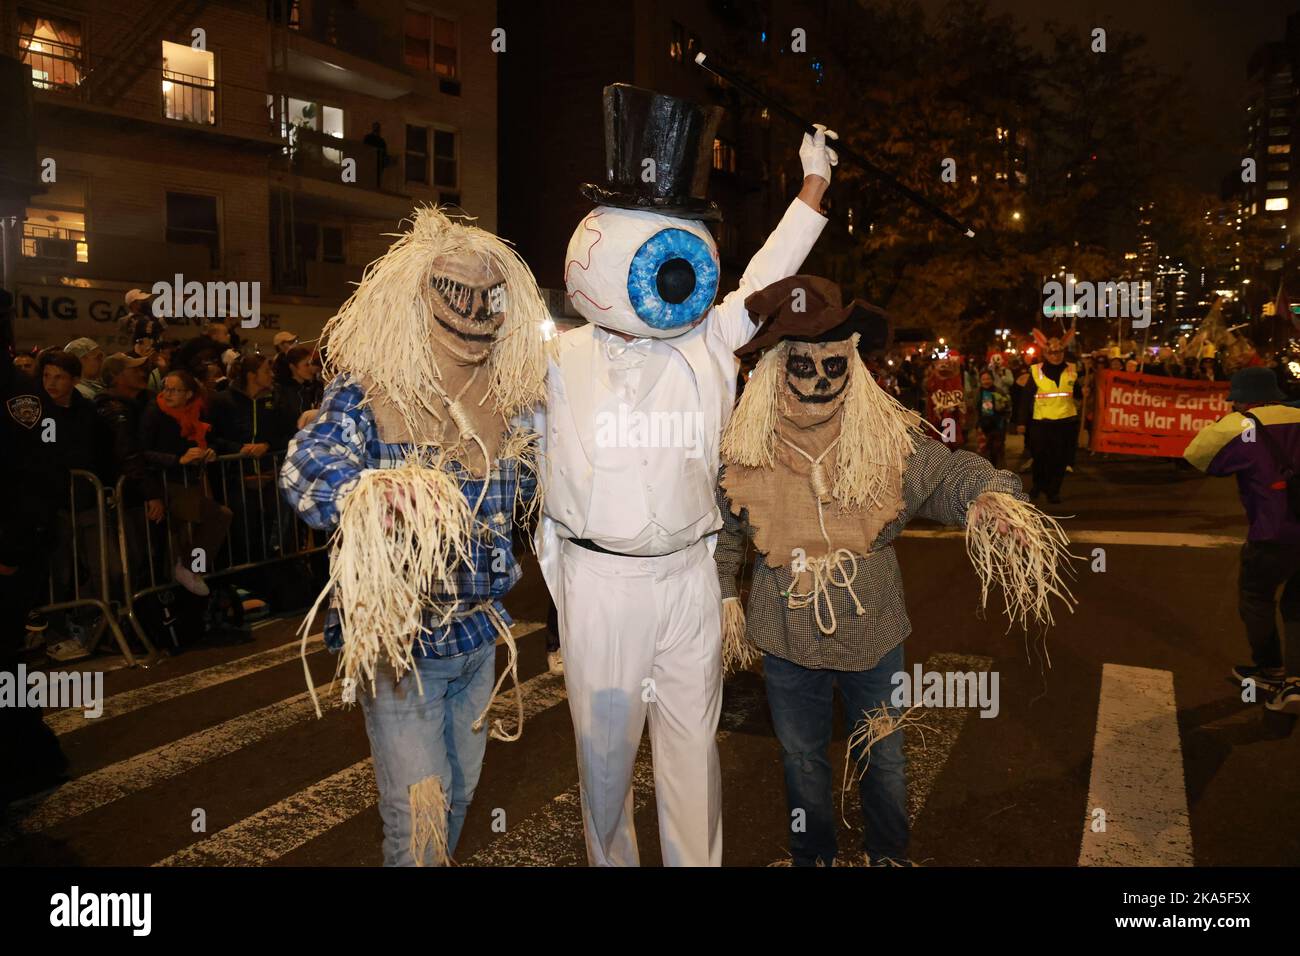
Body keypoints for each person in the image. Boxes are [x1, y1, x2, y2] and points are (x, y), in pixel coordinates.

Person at [538, 83, 837, 867]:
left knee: (691, 751)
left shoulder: (708, 341)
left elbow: (770, 274)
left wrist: (813, 187)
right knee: (604, 767)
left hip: (690, 580)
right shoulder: (554, 360)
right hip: (600, 582)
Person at [715, 276, 1073, 867]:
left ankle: (888, 854)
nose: (822, 381)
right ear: (780, 367)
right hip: (786, 630)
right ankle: (813, 856)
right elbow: (728, 529)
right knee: (801, 756)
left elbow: (944, 474)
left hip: (873, 624)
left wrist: (990, 495)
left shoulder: (883, 439)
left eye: (835, 366)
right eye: (805, 367)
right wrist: (725, 593)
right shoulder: (747, 444)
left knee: (884, 751)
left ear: (852, 366)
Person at [280, 206, 551, 866]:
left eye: (488, 296)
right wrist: (369, 494)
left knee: (457, 796)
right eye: (454, 293)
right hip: (402, 642)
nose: (472, 310)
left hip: (480, 637)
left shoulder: (512, 399)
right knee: (421, 813)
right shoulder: (371, 390)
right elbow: (304, 465)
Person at [1184, 367, 1300, 714]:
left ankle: (1271, 671)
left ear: (1243, 400)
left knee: (1255, 597)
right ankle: (1296, 683)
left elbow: (1197, 455)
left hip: (1274, 533)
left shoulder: (1242, 425)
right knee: (1297, 606)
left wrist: (1232, 421)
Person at [0, 290, 68, 803]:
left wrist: (11, 549)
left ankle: (31, 756)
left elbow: (30, 479)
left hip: (9, 547)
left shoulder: (17, 395)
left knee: (5, 656)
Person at [139, 369, 232, 597]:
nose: (168, 394)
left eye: (175, 390)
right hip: (168, 483)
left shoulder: (196, 413)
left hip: (191, 482)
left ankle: (192, 569)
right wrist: (178, 459)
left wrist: (210, 451)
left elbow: (210, 440)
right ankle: (186, 573)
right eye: (166, 388)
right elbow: (142, 452)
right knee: (210, 519)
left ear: (189, 394)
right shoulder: (154, 414)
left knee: (212, 520)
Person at [1016, 327, 1082, 504]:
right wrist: (1021, 422)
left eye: (1059, 352)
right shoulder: (1035, 371)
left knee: (1060, 459)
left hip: (1066, 422)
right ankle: (1038, 485)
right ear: (1045, 353)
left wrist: (1085, 394)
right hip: (1041, 423)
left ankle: (1054, 491)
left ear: (1063, 351)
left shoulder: (1072, 370)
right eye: (1051, 352)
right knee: (1040, 458)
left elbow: (1078, 394)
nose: (1055, 355)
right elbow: (1025, 398)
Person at [272, 344, 323, 429]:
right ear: (293, 367)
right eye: (306, 365)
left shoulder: (313, 387)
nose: (311, 368)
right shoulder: (280, 391)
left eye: (311, 364)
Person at [976, 368, 1011, 468]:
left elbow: (1008, 407)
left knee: (998, 451)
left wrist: (1002, 410)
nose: (986, 381)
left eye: (988, 379)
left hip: (998, 425)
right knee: (984, 451)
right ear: (980, 380)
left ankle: (999, 473)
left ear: (992, 379)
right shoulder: (978, 393)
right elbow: (974, 409)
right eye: (983, 379)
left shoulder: (999, 391)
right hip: (983, 426)